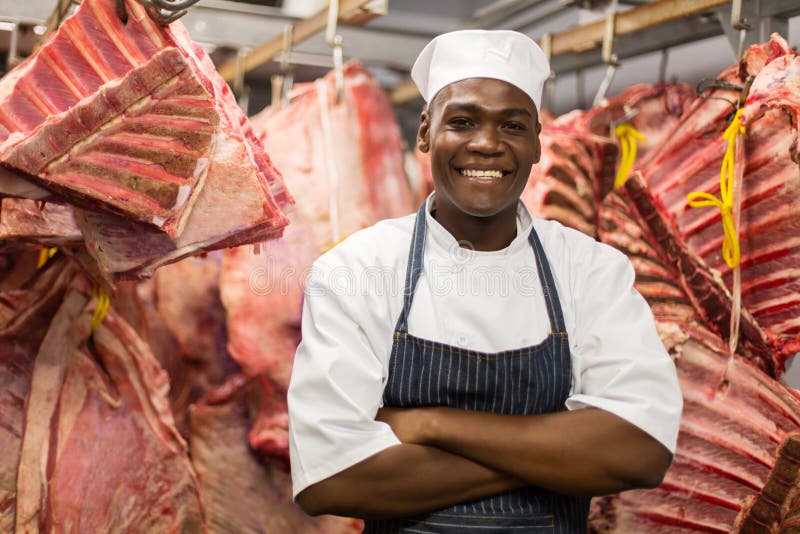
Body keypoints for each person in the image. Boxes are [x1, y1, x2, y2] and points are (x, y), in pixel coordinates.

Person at [287, 29, 683, 533]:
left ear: (537, 143)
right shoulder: (356, 270)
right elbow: (330, 480)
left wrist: (429, 424)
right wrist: (559, 460)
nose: (487, 144)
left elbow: (639, 452)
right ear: (426, 132)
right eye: (463, 121)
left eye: (512, 125)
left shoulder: (591, 270)